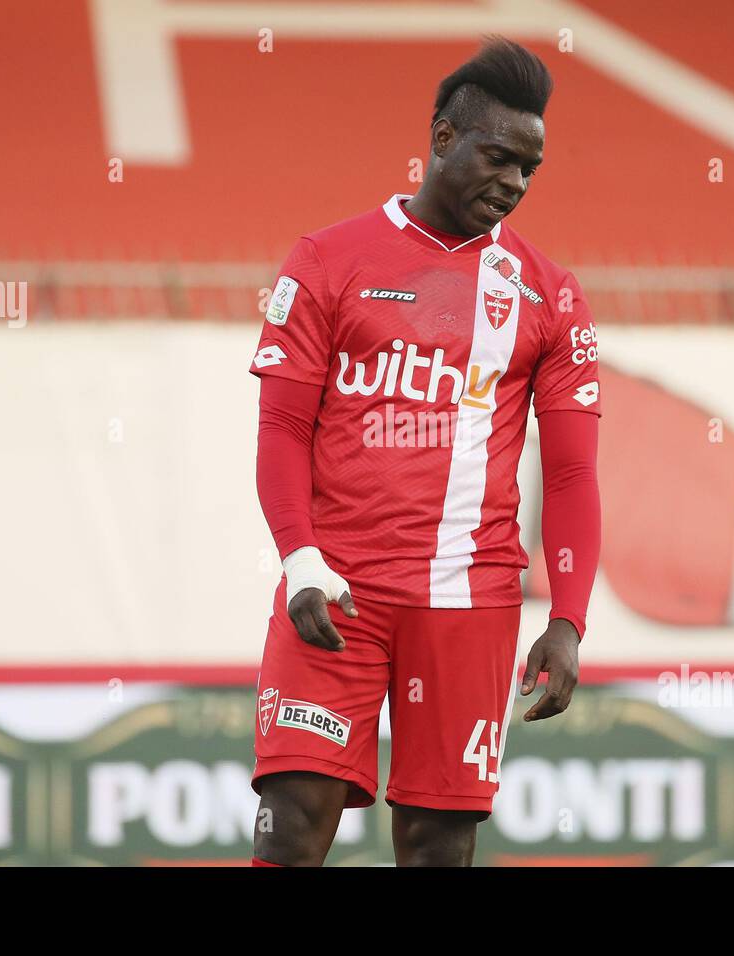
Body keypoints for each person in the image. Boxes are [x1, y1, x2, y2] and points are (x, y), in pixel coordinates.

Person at [247, 37, 602, 866]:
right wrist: (300, 558)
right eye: (498, 157)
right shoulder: (326, 260)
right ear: (443, 137)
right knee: (291, 820)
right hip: (337, 590)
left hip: (469, 604)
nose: (513, 183)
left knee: (439, 846)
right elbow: (282, 429)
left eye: (529, 169)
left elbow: (573, 473)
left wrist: (568, 620)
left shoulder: (550, 295)